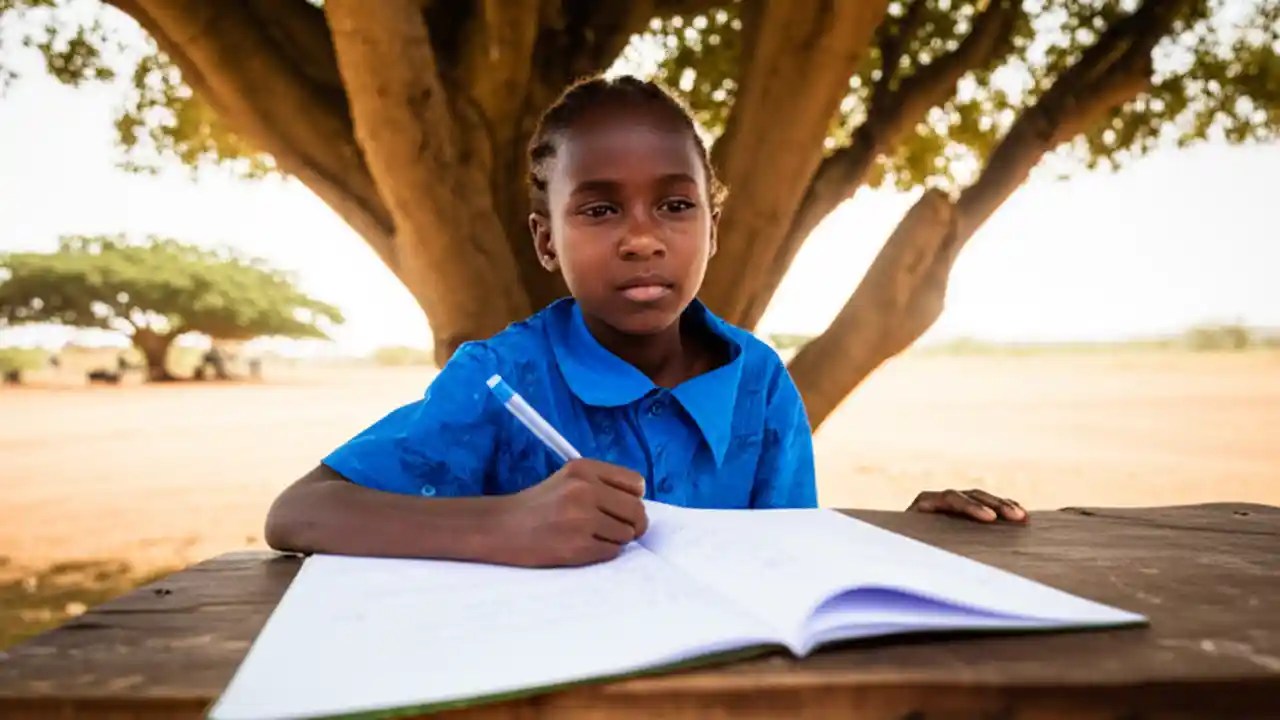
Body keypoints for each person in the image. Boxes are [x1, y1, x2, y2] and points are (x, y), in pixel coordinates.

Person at [264, 75, 1026, 568]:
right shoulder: (501, 380)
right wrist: (503, 528)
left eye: (675, 204)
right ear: (546, 242)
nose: (641, 237)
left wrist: (912, 541)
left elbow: (791, 561)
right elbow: (298, 512)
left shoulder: (757, 384)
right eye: (599, 209)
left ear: (712, 227)